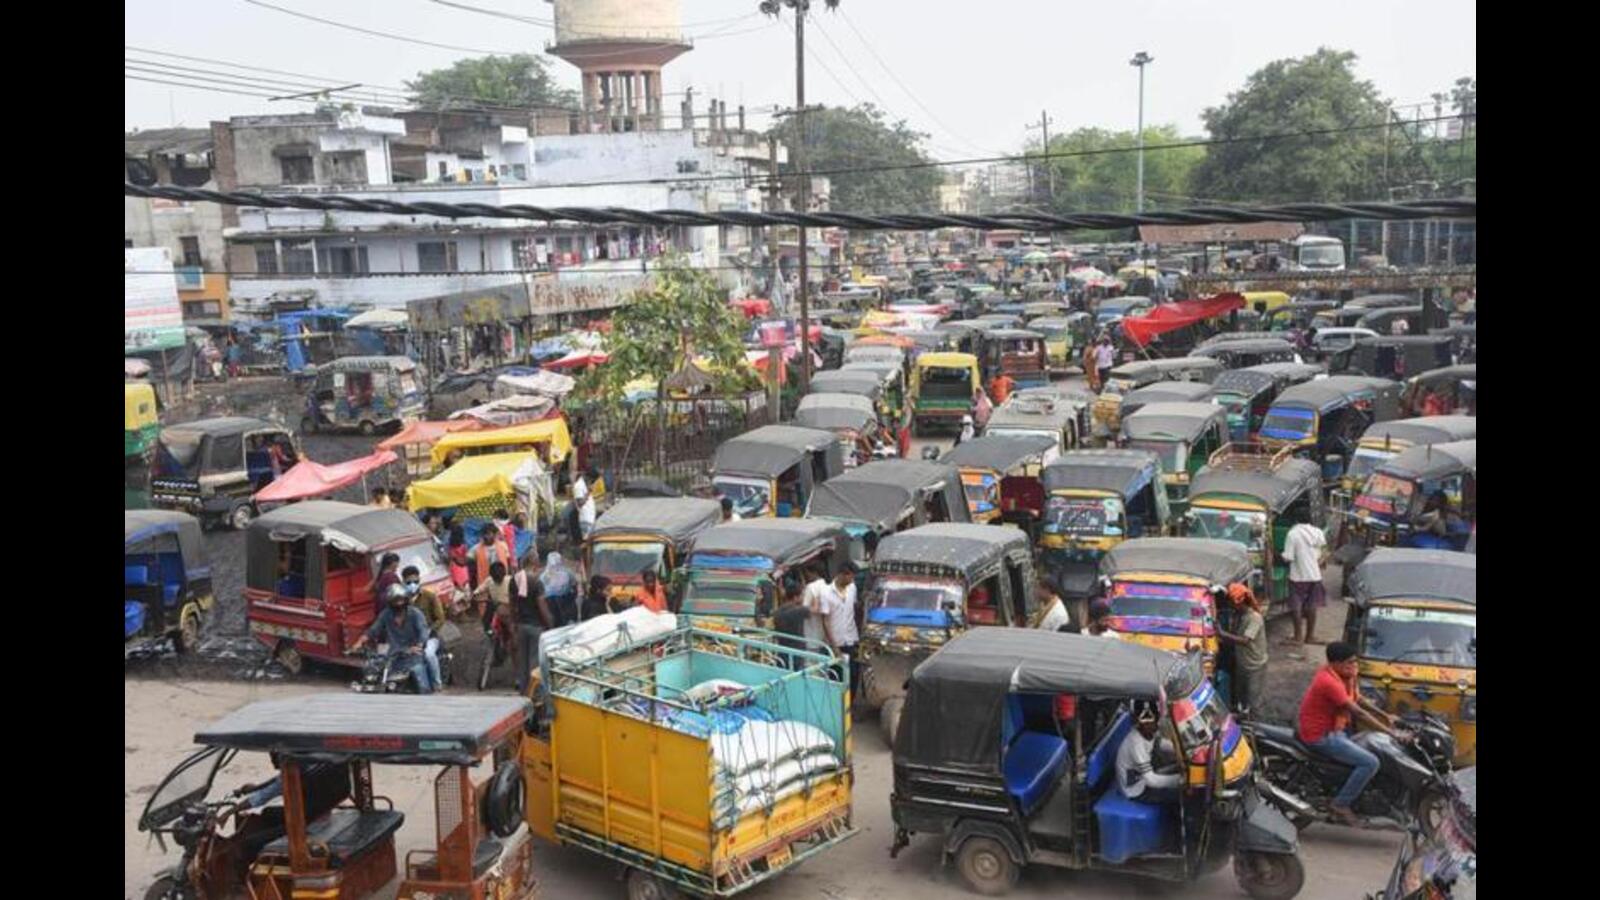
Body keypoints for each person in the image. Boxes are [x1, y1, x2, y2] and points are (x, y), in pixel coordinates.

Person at [1298, 642, 1400, 825]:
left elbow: (1358, 699)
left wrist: (1386, 716)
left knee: (1372, 746)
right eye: (1349, 662)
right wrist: (1391, 733)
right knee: (1370, 762)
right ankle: (1341, 804)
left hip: (1337, 729)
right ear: (1334, 664)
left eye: (1355, 661)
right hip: (1321, 735)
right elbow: (1357, 712)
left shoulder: (1345, 675)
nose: (1354, 666)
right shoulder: (1328, 681)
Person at [349, 584, 434, 693]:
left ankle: (428, 691)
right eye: (395, 601)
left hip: (413, 654)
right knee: (374, 671)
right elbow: (374, 630)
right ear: (390, 602)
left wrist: (419, 645)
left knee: (418, 673)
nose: (399, 603)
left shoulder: (415, 614)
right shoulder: (386, 614)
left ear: (405, 600)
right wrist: (359, 642)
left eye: (401, 600)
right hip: (393, 654)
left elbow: (423, 632)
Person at [1115, 701, 1183, 804]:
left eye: (1152, 721)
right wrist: (1180, 780)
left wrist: (1182, 750)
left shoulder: (1149, 732)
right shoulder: (1136, 743)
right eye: (1145, 723)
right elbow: (1151, 780)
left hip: (1144, 773)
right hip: (1136, 789)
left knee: (1177, 767)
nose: (1149, 725)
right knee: (1179, 796)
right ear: (1138, 722)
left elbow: (1160, 743)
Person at [1216, 583, 1267, 716]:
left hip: (1254, 665)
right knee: (1242, 697)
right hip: (1242, 663)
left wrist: (1222, 634)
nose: (1230, 606)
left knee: (1254, 700)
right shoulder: (1239, 615)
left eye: (1231, 603)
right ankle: (1244, 718)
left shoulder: (1255, 618)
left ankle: (1256, 725)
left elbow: (1245, 640)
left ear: (1239, 603)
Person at [815, 564, 860, 695]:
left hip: (851, 640)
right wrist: (835, 648)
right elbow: (825, 621)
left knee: (853, 676)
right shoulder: (826, 593)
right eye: (849, 578)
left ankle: (849, 707)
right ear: (842, 574)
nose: (851, 581)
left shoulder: (852, 588)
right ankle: (836, 708)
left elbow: (854, 608)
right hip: (836, 643)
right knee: (836, 678)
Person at [1283, 521, 1329, 645]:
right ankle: (1310, 636)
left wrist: (1280, 556)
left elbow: (1288, 557)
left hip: (1297, 576)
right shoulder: (1318, 532)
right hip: (1315, 575)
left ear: (1296, 521)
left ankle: (1298, 637)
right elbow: (1324, 552)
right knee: (1312, 606)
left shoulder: (1293, 534)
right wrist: (1317, 562)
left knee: (1296, 606)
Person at [403, 565, 448, 691]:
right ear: (404, 582)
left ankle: (437, 684)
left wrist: (428, 631)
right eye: (409, 582)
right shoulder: (402, 600)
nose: (412, 584)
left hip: (430, 636)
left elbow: (440, 618)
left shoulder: (430, 596)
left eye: (415, 582)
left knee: (429, 654)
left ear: (419, 581)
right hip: (410, 638)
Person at [509, 559, 549, 694]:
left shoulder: (514, 581)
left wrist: (513, 624)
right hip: (536, 627)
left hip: (520, 625)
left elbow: (512, 605)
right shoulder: (537, 582)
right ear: (536, 565)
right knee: (534, 662)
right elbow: (542, 606)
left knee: (523, 662)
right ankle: (534, 694)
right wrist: (550, 624)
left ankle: (524, 692)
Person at [772, 581, 811, 668]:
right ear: (795, 597)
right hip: (797, 651)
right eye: (802, 595)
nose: (803, 597)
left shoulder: (778, 612)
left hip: (782, 650)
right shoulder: (799, 611)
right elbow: (814, 609)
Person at [471, 560, 513, 632]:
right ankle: (489, 633)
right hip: (494, 605)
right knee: (486, 620)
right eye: (495, 579)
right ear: (491, 576)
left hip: (509, 607)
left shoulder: (510, 580)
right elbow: (479, 589)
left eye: (499, 578)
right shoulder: (489, 581)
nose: (497, 581)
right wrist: (475, 594)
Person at [540, 552, 580, 626]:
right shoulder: (568, 573)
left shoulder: (543, 576)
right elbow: (575, 588)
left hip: (550, 607)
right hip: (566, 606)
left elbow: (541, 593)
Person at [473, 525, 514, 591]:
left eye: (488, 534)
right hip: (484, 583)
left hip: (501, 580)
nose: (486, 536)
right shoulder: (476, 549)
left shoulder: (503, 546)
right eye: (484, 534)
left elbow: (508, 562)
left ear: (494, 535)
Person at [800, 565, 830, 647]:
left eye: (807, 573)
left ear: (814, 573)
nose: (806, 575)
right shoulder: (827, 588)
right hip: (823, 635)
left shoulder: (811, 587)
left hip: (811, 634)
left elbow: (804, 610)